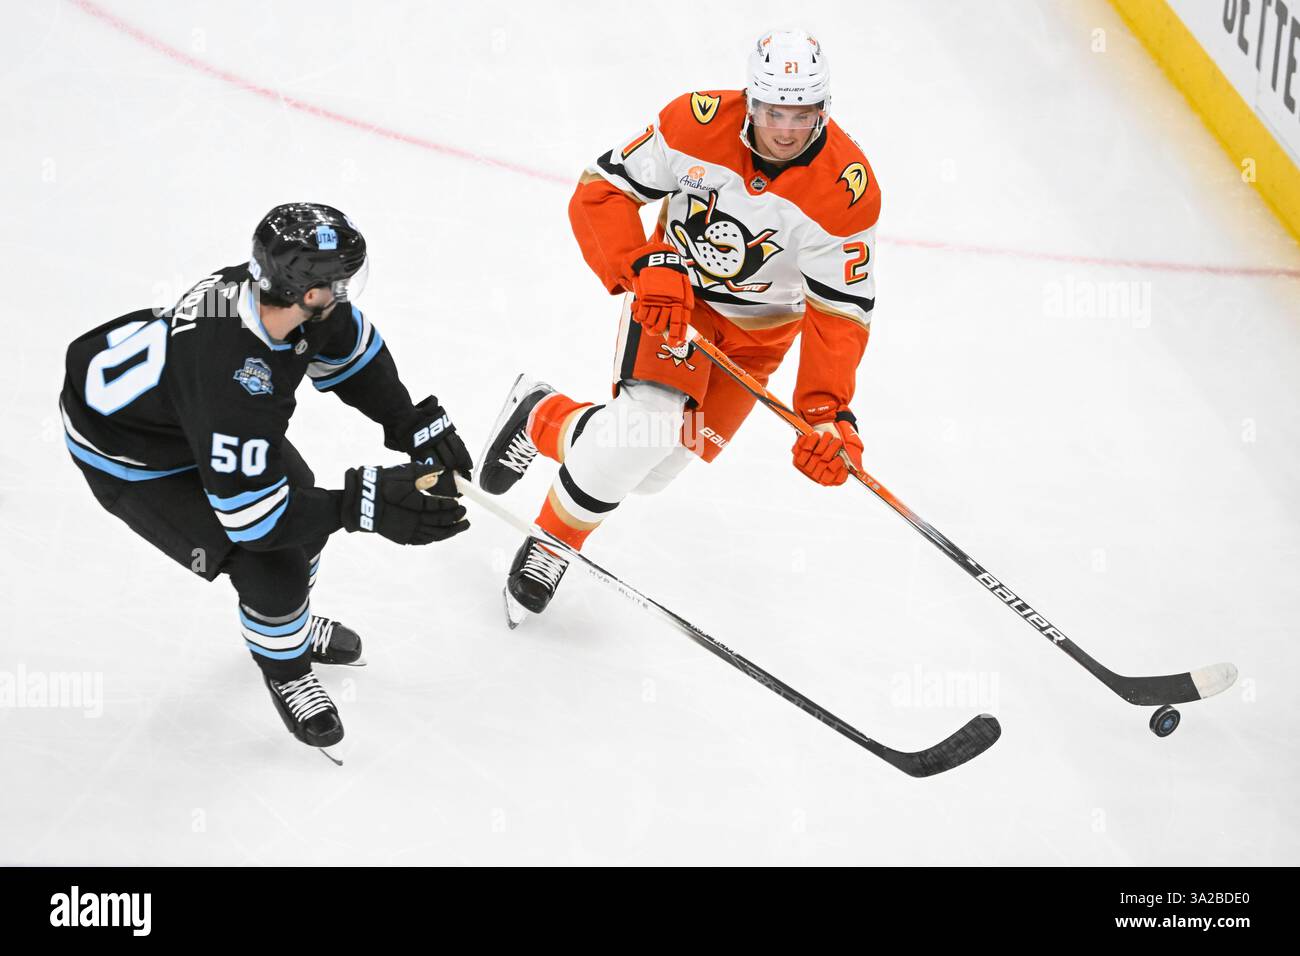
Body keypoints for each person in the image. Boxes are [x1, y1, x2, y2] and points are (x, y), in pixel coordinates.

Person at [477, 29, 881, 627]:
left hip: (758, 335)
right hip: (675, 300)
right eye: (774, 110)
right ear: (751, 100)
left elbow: (840, 314)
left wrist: (827, 413)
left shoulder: (847, 193)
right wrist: (644, 264)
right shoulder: (695, 124)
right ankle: (553, 543)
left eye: (803, 114)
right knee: (642, 428)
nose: (787, 129)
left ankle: (542, 414)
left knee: (651, 471)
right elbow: (599, 193)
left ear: (824, 109)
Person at [59, 203, 473, 751]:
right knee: (273, 565)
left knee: (309, 526)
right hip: (135, 457)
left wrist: (409, 422)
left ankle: (286, 625)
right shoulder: (232, 384)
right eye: (340, 283)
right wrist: (363, 504)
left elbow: (353, 352)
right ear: (307, 293)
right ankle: (286, 665)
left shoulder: (276, 301)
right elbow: (256, 524)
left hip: (185, 417)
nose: (346, 292)